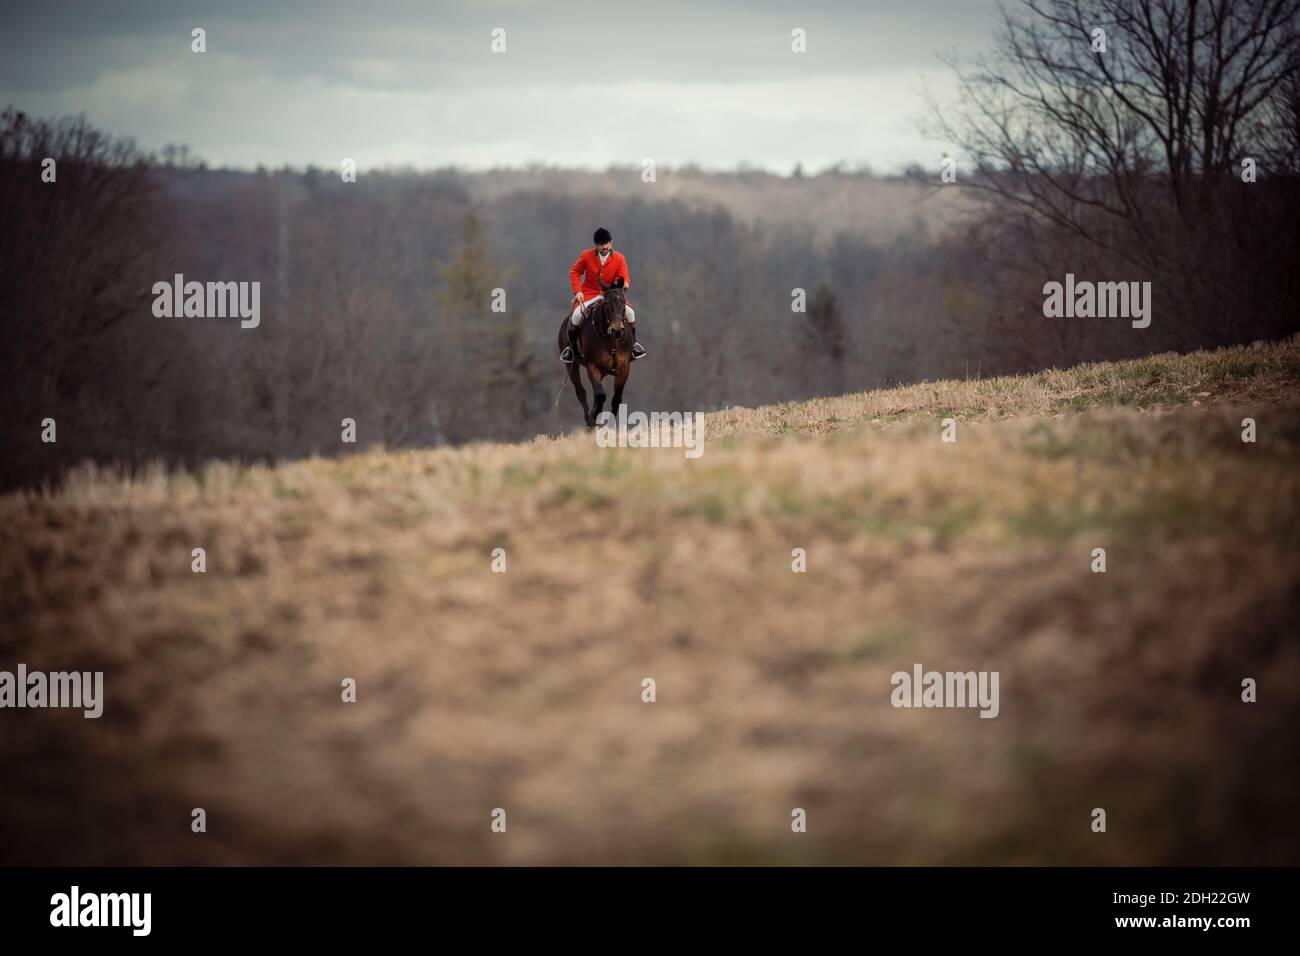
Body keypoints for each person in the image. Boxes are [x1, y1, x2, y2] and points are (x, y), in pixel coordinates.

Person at [562, 227, 646, 363]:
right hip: (590, 293)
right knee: (577, 315)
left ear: (611, 243)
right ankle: (570, 349)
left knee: (631, 314)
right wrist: (578, 291)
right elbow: (574, 272)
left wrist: (621, 288)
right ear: (596, 245)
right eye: (601, 244)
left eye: (607, 243)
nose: (604, 246)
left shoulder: (619, 258)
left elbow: (624, 277)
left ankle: (634, 344)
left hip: (612, 294)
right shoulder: (586, 256)